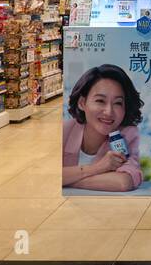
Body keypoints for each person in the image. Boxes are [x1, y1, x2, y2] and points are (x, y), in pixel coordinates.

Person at [62, 64, 145, 192]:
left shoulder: (126, 135)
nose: (109, 112)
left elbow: (123, 182)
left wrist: (68, 180)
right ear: (82, 103)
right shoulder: (65, 131)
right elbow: (47, 175)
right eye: (100, 101)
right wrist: (98, 168)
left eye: (118, 103)